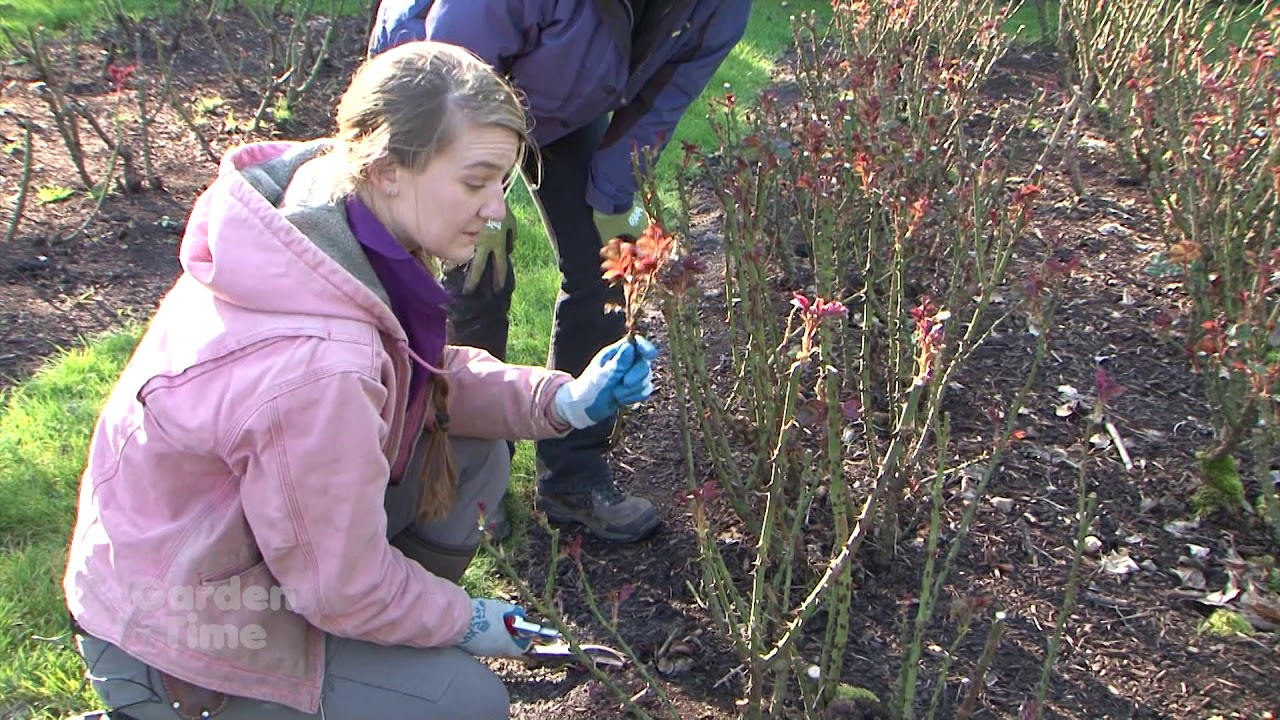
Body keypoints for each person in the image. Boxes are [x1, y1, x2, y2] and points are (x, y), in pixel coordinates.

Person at [62, 41, 658, 720]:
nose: (497, 210)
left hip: (232, 553)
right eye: (475, 181)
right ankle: (180, 703)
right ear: (387, 167)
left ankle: (386, 650)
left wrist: (561, 400)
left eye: (504, 182)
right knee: (463, 704)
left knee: (473, 453)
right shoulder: (320, 364)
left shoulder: (326, 215)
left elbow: (419, 378)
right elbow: (339, 587)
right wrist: (463, 618)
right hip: (182, 616)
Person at [367, 0, 752, 543]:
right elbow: (451, 62)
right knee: (473, 269)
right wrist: (477, 194)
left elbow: (658, 102)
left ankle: (572, 476)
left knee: (607, 269)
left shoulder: (722, 8)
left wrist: (614, 205)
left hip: (559, 100)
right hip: (438, 85)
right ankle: (467, 473)